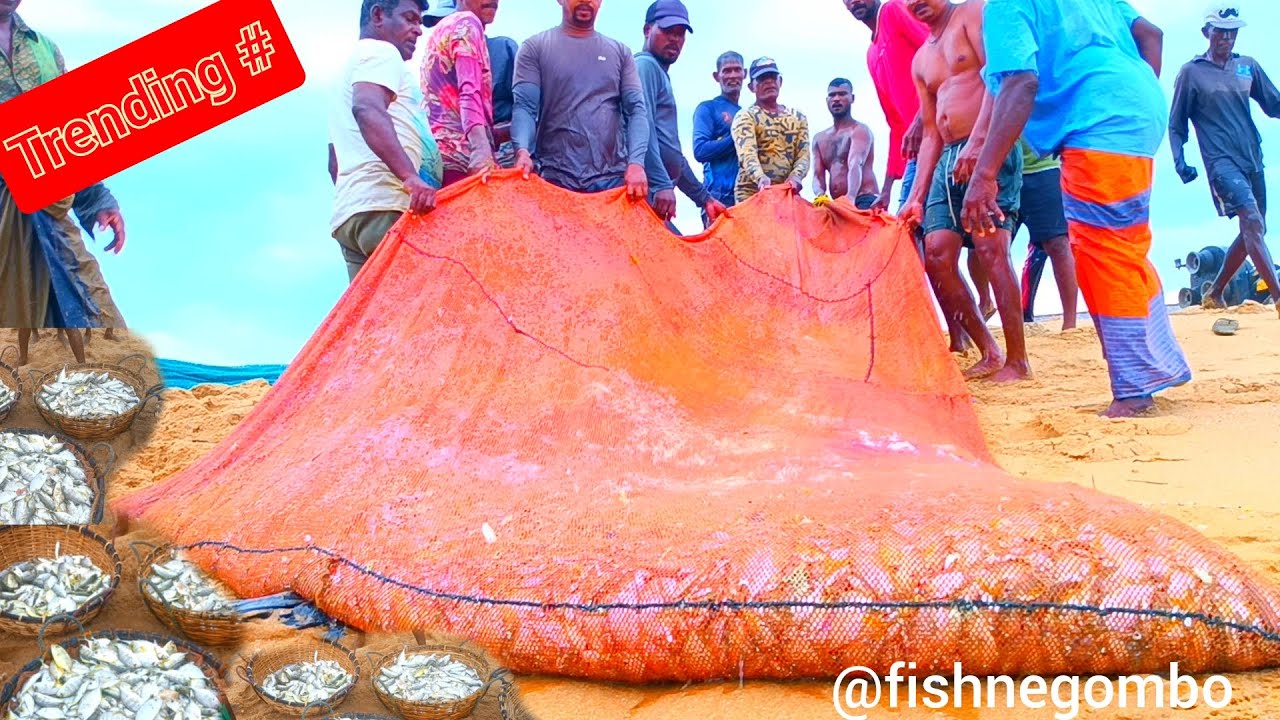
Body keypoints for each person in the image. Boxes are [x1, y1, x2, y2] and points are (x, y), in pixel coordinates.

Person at [962, 0, 1190, 417]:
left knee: (1103, 255)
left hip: (1100, 121)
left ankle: (1135, 389)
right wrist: (1127, 89)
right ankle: (1157, 365)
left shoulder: (1005, 7)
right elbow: (1150, 35)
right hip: (1138, 108)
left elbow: (1020, 83)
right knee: (1123, 244)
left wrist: (985, 173)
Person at [901, 0, 1029, 382]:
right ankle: (989, 351)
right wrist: (915, 196)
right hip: (946, 157)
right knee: (937, 255)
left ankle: (1018, 361)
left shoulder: (973, 14)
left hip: (990, 145)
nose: (916, 2)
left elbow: (998, 78)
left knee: (992, 249)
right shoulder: (921, 58)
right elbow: (928, 131)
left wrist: (979, 142)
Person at [0, 0, 128, 332]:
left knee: (96, 317)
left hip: (51, 216)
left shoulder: (44, 50)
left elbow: (68, 134)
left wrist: (97, 200)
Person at [1170, 4, 1280, 317]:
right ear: (1207, 32)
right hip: (1221, 163)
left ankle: (1215, 292)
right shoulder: (1192, 73)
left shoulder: (1247, 66)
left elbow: (1274, 104)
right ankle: (1279, 298)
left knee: (1255, 230)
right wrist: (1180, 160)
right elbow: (1177, 124)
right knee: (1253, 223)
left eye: (1232, 32)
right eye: (1220, 31)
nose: (1226, 38)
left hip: (1252, 158)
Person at [328, 0, 442, 283]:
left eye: (419, 22)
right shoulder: (381, 52)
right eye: (409, 19)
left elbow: (334, 162)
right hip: (387, 207)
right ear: (378, 15)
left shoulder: (347, 69)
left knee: (376, 322)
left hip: (351, 216)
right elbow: (367, 109)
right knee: (420, 310)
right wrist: (410, 177)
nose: (418, 30)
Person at [511, 0, 649, 198]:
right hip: (553, 178)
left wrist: (636, 163)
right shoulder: (535, 47)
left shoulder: (620, 53)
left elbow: (636, 110)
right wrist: (522, 151)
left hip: (611, 182)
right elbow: (524, 107)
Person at [634, 0, 726, 229]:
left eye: (680, 34)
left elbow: (671, 150)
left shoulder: (659, 72)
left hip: (655, 196)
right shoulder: (645, 66)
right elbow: (640, 127)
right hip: (641, 194)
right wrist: (662, 183)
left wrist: (704, 198)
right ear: (647, 30)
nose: (675, 39)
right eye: (667, 31)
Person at [840, 0, 927, 211]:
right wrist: (886, 189)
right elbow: (896, 123)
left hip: (947, 135)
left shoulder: (893, 11)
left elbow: (939, 53)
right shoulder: (871, 54)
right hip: (918, 152)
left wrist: (921, 118)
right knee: (909, 229)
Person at [420, 0, 503, 186]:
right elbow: (469, 89)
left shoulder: (443, 28)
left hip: (438, 157)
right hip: (461, 159)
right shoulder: (467, 22)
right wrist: (480, 148)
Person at [1014, 142, 1078, 330]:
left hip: (1044, 167)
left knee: (1058, 243)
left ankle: (1070, 324)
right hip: (999, 169)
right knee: (985, 246)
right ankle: (987, 307)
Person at [731, 58, 811, 205]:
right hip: (752, 194)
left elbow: (803, 154)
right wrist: (761, 178)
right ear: (751, 87)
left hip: (787, 193)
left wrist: (795, 177)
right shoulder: (745, 116)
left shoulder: (797, 117)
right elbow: (747, 153)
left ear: (780, 81)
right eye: (762, 79)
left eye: (772, 77)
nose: (769, 82)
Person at [692, 51, 744, 226]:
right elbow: (700, 150)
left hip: (747, 198)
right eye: (727, 71)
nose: (733, 75)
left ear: (744, 74)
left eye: (737, 70)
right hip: (718, 198)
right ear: (717, 76)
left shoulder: (749, 115)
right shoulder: (708, 108)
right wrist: (736, 136)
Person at [812, 78, 878, 209]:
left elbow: (855, 164)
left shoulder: (859, 131)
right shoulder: (819, 138)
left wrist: (851, 197)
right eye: (832, 95)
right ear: (827, 100)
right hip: (838, 203)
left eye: (842, 94)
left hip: (863, 199)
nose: (836, 99)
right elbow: (817, 175)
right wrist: (820, 195)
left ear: (852, 98)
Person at [488, 34, 520, 167]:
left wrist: (502, 132)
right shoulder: (436, 66)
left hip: (506, 145)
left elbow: (532, 107)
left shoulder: (502, 49)